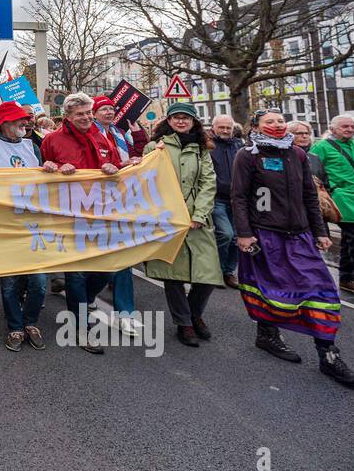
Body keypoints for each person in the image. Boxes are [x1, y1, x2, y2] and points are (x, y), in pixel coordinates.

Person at [231, 109, 354, 387]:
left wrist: (320, 231)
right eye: (270, 122)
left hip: (300, 236)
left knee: (322, 291)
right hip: (265, 236)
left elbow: (309, 196)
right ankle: (267, 334)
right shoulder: (247, 155)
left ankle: (328, 354)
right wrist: (244, 234)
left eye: (280, 121)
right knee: (272, 290)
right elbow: (239, 197)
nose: (277, 125)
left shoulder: (297, 154)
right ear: (256, 126)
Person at [39, 91, 123, 354]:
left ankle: (83, 303)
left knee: (106, 268)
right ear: (68, 116)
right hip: (68, 217)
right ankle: (81, 327)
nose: (86, 117)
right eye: (80, 114)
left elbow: (117, 166)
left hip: (100, 214)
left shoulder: (102, 137)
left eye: (89, 112)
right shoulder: (52, 140)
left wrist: (114, 166)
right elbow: (38, 172)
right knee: (75, 274)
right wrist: (51, 166)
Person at [0, 101, 58, 353]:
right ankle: (15, 327)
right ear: (5, 123)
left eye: (26, 119)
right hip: (4, 225)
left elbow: (43, 179)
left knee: (39, 282)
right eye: (20, 120)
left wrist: (49, 169)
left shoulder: (33, 146)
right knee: (9, 283)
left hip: (33, 223)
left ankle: (31, 323)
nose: (26, 123)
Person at [143, 104, 221, 347]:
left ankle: (195, 313)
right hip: (168, 219)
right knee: (172, 275)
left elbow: (209, 182)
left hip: (197, 220)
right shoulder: (155, 146)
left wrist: (199, 214)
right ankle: (184, 323)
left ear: (194, 121)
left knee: (207, 274)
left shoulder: (202, 148)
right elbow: (146, 181)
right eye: (176, 117)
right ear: (169, 120)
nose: (181, 121)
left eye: (185, 118)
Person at [310, 115, 354, 300]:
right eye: (344, 127)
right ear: (332, 129)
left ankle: (345, 277)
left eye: (352, 126)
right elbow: (314, 173)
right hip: (341, 199)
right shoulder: (321, 147)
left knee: (351, 240)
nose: (349, 129)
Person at [92, 95, 142, 335]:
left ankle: (126, 312)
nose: (109, 112)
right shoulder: (88, 134)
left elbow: (129, 156)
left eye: (112, 108)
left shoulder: (120, 134)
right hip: (93, 203)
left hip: (120, 200)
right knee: (96, 259)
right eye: (104, 109)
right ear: (94, 113)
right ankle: (87, 293)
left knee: (123, 257)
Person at [210, 113, 243, 289]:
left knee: (237, 238)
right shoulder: (208, 146)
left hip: (237, 199)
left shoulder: (239, 145)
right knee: (225, 234)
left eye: (228, 128)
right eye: (221, 127)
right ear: (213, 128)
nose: (224, 130)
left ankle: (229, 272)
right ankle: (217, 270)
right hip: (218, 198)